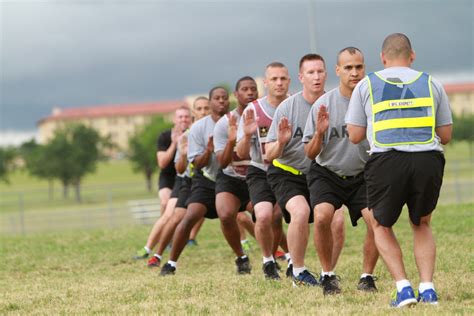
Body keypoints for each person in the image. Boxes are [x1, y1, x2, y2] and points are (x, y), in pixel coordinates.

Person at [346, 33, 452, 307]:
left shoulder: (367, 84)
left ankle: (403, 288)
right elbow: (446, 134)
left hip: (387, 162)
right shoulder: (432, 83)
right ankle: (427, 289)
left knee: (381, 224)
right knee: (422, 223)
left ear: (383, 58)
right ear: (412, 56)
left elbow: (355, 135)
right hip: (427, 160)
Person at [303, 47, 379, 295]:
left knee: (377, 221)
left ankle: (367, 276)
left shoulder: (374, 101)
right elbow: (310, 153)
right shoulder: (323, 104)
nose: (354, 72)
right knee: (323, 216)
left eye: (359, 67)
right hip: (328, 173)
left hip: (363, 174)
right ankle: (327, 275)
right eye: (348, 67)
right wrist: (319, 133)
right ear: (338, 70)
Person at [265, 54, 344, 287]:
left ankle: (327, 273)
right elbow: (268, 154)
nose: (316, 77)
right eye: (310, 72)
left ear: (326, 75)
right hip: (287, 172)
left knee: (337, 221)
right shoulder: (287, 107)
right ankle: (298, 271)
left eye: (320, 72)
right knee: (299, 212)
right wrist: (280, 142)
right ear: (301, 77)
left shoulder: (335, 103)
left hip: (321, 173)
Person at [160, 86, 252, 276]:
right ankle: (170, 263)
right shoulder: (198, 129)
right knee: (190, 216)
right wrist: (208, 151)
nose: (221, 101)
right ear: (210, 103)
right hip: (208, 180)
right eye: (216, 98)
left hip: (235, 178)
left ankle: (275, 256)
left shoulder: (238, 121)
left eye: (224, 98)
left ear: (230, 100)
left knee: (262, 212)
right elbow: (197, 165)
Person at [236, 62, 291, 280]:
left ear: (289, 81)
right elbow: (240, 153)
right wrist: (248, 135)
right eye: (274, 79)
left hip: (288, 169)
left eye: (283, 79)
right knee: (264, 215)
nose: (279, 83)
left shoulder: (295, 104)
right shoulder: (253, 110)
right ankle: (268, 260)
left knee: (279, 216)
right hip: (260, 169)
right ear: (265, 83)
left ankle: (293, 260)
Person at [146, 97, 210, 267]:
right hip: (186, 181)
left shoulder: (220, 129)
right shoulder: (184, 137)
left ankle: (275, 252)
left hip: (218, 180)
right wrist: (181, 152)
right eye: (200, 108)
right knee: (175, 216)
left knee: (243, 213)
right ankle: (157, 254)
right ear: (194, 112)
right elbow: (178, 168)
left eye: (206, 108)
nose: (203, 112)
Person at [133, 106, 192, 259]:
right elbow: (162, 163)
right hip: (168, 177)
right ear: (174, 119)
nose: (183, 120)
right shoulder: (165, 137)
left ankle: (174, 238)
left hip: (186, 177)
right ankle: (151, 246)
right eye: (180, 117)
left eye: (186, 116)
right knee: (166, 204)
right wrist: (174, 144)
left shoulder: (194, 134)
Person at [213, 76, 259, 271]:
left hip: (257, 175)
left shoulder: (263, 115)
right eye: (245, 89)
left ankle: (283, 256)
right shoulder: (225, 123)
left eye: (253, 89)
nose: (249, 92)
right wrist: (232, 140)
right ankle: (241, 257)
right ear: (236, 94)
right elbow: (222, 163)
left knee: (266, 216)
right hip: (231, 177)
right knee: (225, 215)